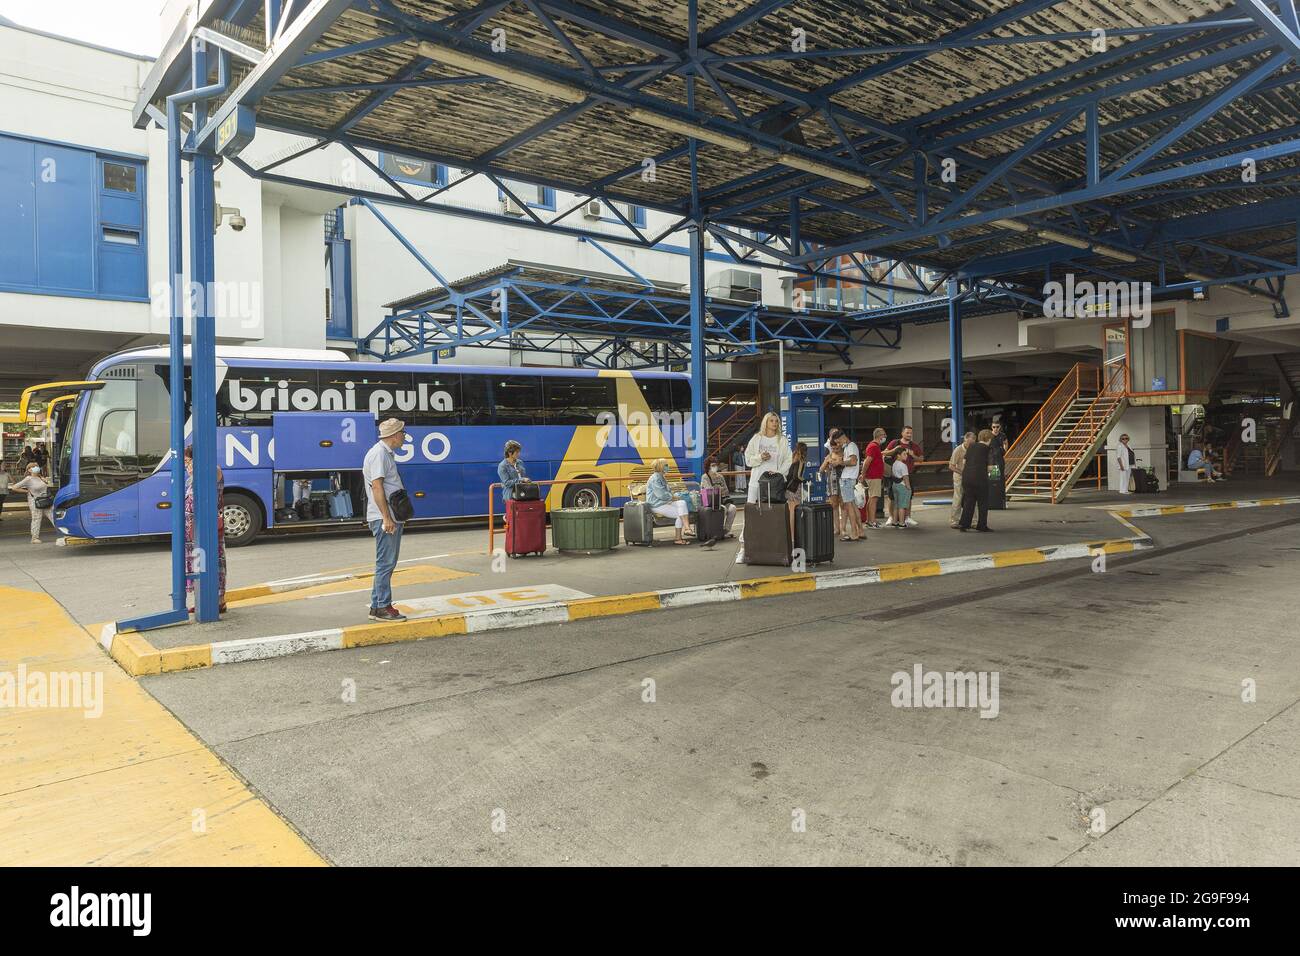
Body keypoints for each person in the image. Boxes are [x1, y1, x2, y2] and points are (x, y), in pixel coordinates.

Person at [365, 418, 409, 622]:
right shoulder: (379, 454)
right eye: (402, 433)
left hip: (389, 515)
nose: (404, 436)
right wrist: (386, 517)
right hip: (385, 517)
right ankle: (383, 607)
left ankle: (376, 606)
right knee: (386, 563)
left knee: (387, 562)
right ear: (393, 436)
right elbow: (377, 487)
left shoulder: (384, 454)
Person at [183, 446, 227, 613]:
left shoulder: (213, 471)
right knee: (198, 562)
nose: (187, 467)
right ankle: (202, 600)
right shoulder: (193, 478)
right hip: (194, 529)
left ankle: (219, 600)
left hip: (207, 527)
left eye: (188, 462)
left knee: (214, 561)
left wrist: (197, 467)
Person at [744, 412, 793, 504]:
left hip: (775, 483)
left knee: (773, 511)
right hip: (756, 480)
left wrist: (779, 472)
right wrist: (760, 457)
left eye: (776, 421)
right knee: (753, 510)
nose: (774, 423)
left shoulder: (782, 440)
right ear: (765, 422)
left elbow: (788, 459)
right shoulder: (756, 438)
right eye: (771, 421)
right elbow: (748, 459)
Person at [645, 457, 693, 545]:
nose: (668, 467)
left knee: (682, 503)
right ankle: (680, 537)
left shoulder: (661, 477)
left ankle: (687, 528)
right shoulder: (655, 478)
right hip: (657, 505)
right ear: (660, 467)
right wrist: (673, 497)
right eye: (666, 465)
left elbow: (667, 493)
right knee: (680, 513)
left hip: (664, 503)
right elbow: (662, 495)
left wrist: (674, 497)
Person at [884, 425, 923, 526]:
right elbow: (884, 453)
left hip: (908, 474)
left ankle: (907, 517)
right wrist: (895, 449)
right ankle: (891, 517)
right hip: (895, 476)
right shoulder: (894, 443)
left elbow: (921, 458)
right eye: (907, 432)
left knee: (908, 497)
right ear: (902, 433)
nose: (909, 435)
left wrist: (912, 455)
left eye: (910, 433)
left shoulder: (914, 445)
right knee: (892, 497)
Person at [12, 462, 57, 544]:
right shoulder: (28, 479)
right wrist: (26, 491)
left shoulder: (40, 477)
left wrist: (45, 481)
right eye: (33, 467)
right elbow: (14, 487)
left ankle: (63, 533)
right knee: (36, 519)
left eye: (37, 466)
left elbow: (45, 487)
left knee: (53, 516)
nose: (36, 467)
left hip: (46, 500)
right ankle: (34, 538)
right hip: (35, 501)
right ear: (29, 470)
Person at [958, 429, 993, 532]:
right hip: (980, 479)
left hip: (967, 478)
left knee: (969, 501)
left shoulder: (971, 446)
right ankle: (981, 525)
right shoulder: (987, 449)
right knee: (983, 502)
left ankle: (964, 525)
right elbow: (990, 468)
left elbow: (964, 462)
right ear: (989, 439)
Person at [699, 454, 737, 537]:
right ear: (708, 466)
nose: (715, 467)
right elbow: (709, 490)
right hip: (711, 502)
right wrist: (719, 489)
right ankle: (717, 531)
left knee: (733, 508)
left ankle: (726, 530)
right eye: (713, 465)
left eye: (716, 465)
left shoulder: (720, 476)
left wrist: (717, 489)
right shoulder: (705, 477)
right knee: (723, 509)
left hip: (722, 500)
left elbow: (726, 490)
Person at [836, 431, 863, 542]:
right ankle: (860, 530)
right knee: (853, 505)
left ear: (843, 437)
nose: (838, 445)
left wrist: (840, 462)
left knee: (849, 506)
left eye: (838, 442)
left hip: (847, 479)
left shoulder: (851, 446)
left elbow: (853, 461)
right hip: (850, 479)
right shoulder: (849, 446)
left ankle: (854, 532)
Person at [819, 427, 844, 537]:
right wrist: (827, 462)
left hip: (843, 482)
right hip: (832, 482)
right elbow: (820, 469)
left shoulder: (844, 455)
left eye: (837, 449)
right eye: (833, 449)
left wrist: (839, 461)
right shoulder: (829, 455)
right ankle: (836, 528)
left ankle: (843, 528)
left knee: (843, 505)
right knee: (834, 505)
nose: (835, 450)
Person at [860, 427, 886, 530]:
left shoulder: (874, 446)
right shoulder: (873, 447)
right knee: (874, 499)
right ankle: (872, 521)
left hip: (874, 476)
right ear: (879, 436)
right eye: (884, 435)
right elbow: (867, 461)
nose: (885, 437)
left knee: (871, 498)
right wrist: (863, 474)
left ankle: (869, 520)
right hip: (874, 476)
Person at [948, 431, 975, 529]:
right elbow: (951, 466)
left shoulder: (973, 449)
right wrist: (962, 473)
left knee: (972, 498)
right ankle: (954, 521)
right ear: (965, 440)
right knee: (958, 498)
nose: (970, 445)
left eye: (972, 443)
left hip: (970, 476)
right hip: (959, 476)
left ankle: (973, 521)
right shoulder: (958, 450)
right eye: (969, 442)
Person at [784, 442, 808, 546]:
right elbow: (796, 477)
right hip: (795, 488)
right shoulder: (800, 461)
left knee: (790, 512)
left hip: (788, 489)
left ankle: (790, 535)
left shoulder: (793, 459)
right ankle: (793, 536)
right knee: (794, 512)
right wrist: (805, 479)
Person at [497, 440, 528, 510]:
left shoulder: (520, 462)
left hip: (522, 494)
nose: (519, 454)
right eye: (517, 452)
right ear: (510, 453)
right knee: (513, 517)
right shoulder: (502, 466)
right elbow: (507, 483)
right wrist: (521, 479)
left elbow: (523, 475)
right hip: (510, 496)